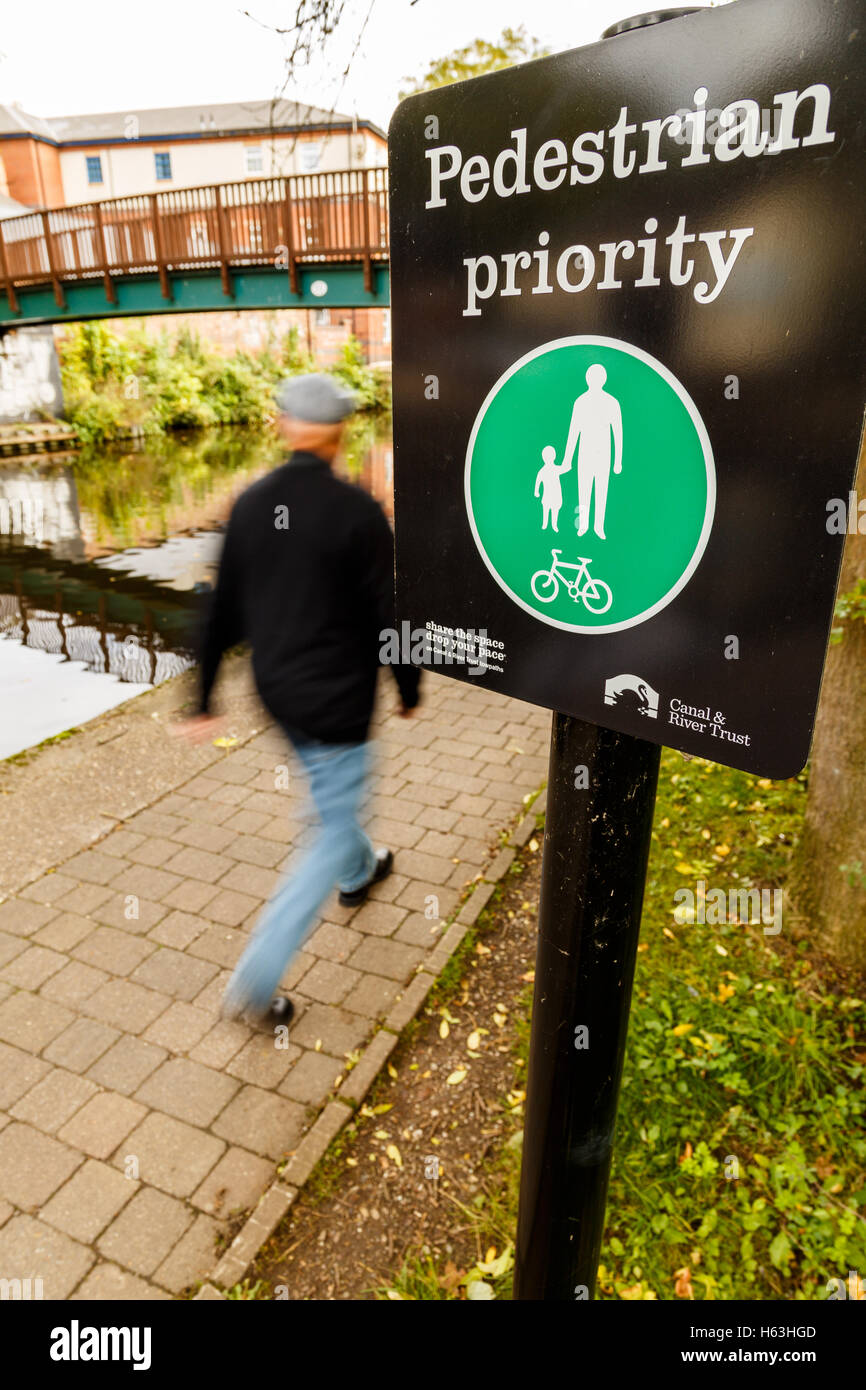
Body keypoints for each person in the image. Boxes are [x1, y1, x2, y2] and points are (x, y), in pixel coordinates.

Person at [175, 373, 421, 1027]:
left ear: (284, 425)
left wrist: (201, 698)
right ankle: (253, 989)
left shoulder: (252, 505)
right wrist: (409, 688)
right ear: (340, 435)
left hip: (279, 692)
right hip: (338, 701)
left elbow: (220, 608)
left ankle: (360, 870)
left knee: (328, 793)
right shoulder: (361, 514)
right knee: (327, 823)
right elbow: (389, 617)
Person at [560, 363, 623, 540]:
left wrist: (618, 461)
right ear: (588, 379)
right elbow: (573, 432)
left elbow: (618, 433)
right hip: (585, 454)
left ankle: (599, 527)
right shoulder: (580, 402)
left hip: (604, 455)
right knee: (584, 491)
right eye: (592, 377)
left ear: (603, 380)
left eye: (598, 377)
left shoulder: (612, 402)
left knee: (602, 491)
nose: (594, 380)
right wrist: (567, 459)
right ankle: (583, 526)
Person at [533, 443, 570, 531]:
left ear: (554, 457)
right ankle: (545, 524)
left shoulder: (556, 469)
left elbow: (565, 468)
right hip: (546, 496)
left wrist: (568, 463)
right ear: (543, 458)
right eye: (547, 457)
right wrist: (536, 491)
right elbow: (538, 481)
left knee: (555, 511)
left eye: (550, 456)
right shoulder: (542, 471)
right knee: (546, 510)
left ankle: (554, 525)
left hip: (556, 496)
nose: (548, 458)